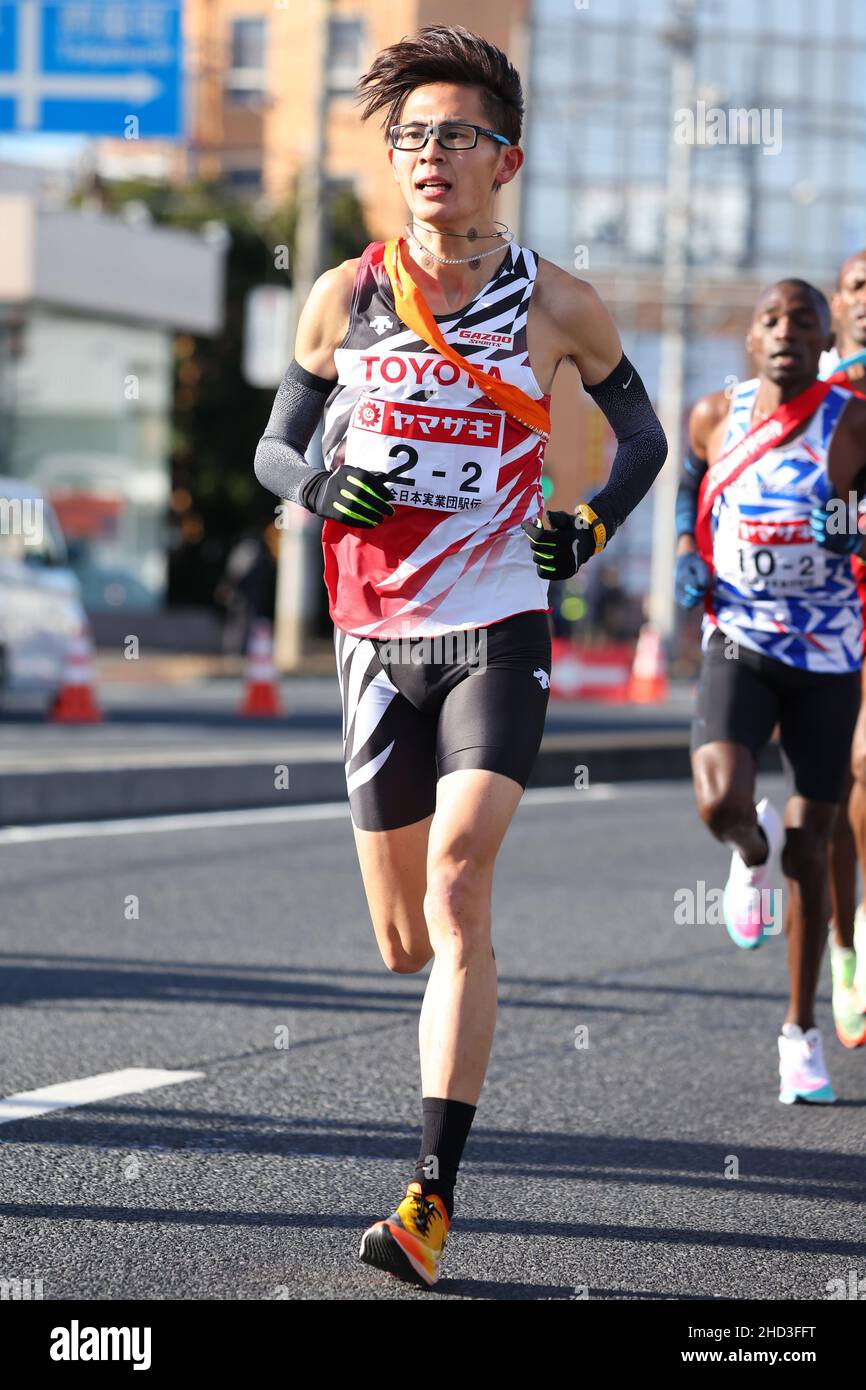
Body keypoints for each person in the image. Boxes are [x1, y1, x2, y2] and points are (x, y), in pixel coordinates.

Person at [254, 24, 666, 1286]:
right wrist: (326, 486)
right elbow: (274, 451)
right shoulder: (344, 293)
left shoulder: (557, 303)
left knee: (459, 882)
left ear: (508, 159)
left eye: (456, 136)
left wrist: (584, 525)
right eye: (411, 137)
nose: (430, 155)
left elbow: (643, 439)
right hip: (375, 640)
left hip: (496, 621)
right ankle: (452, 1000)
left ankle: (430, 1198)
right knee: (403, 939)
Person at [674, 278, 866, 1104]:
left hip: (829, 653)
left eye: (803, 322)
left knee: (814, 845)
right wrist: (688, 546)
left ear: (825, 342)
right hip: (743, 637)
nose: (786, 331)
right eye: (771, 319)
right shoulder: (715, 415)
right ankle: (746, 855)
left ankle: (800, 1034)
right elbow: (690, 485)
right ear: (750, 339)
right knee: (721, 800)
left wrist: (854, 523)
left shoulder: (853, 420)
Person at [823, 251, 866, 1048]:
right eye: (860, 288)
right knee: (826, 784)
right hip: (811, 607)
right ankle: (841, 942)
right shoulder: (802, 384)